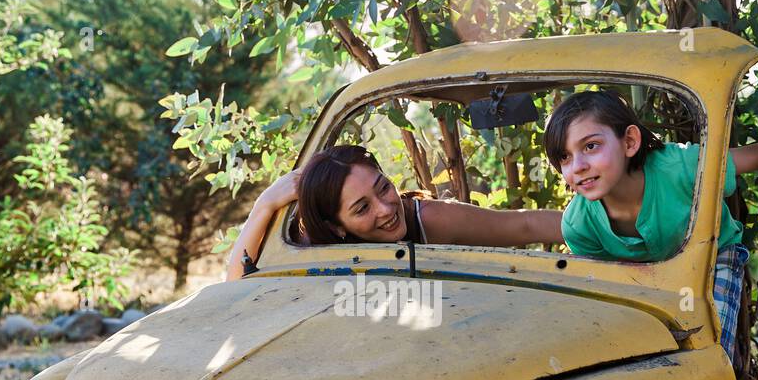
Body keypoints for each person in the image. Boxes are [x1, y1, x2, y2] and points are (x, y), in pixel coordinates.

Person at [544, 89, 758, 365]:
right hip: (646, 276)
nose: (578, 166)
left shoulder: (681, 168)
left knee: (707, 353)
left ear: (630, 142)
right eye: (564, 157)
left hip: (713, 258)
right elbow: (602, 289)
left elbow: (755, 156)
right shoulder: (580, 224)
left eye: (590, 146)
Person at [225, 144, 564, 280]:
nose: (387, 209)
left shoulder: (427, 219)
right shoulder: (305, 250)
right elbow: (236, 284)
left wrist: (606, 226)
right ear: (336, 225)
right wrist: (264, 205)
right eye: (361, 208)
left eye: (383, 187)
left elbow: (524, 225)